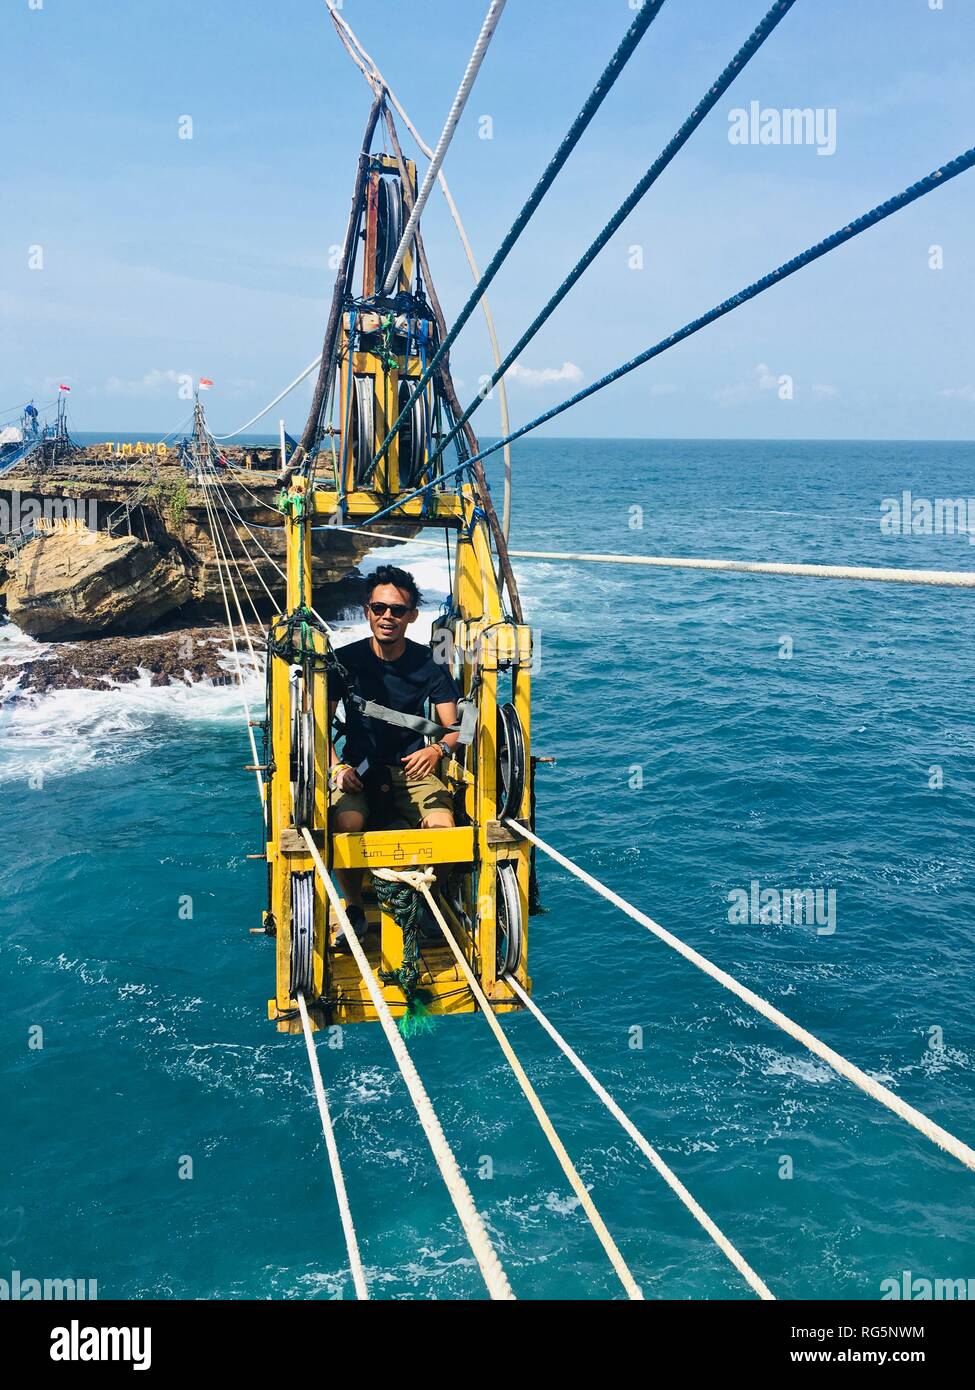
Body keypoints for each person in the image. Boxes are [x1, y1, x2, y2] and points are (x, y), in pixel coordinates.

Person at [329, 565, 460, 945]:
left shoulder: (429, 663)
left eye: (397, 610)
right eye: (379, 608)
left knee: (444, 831)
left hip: (412, 769)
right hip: (358, 771)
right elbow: (316, 727)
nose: (388, 616)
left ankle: (430, 899)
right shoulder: (344, 661)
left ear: (412, 616)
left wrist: (436, 750)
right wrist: (337, 767)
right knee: (347, 826)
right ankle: (354, 906)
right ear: (368, 611)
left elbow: (452, 729)